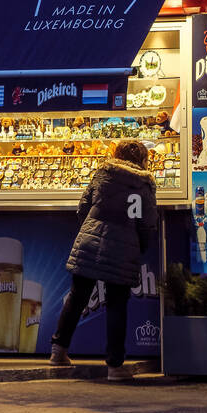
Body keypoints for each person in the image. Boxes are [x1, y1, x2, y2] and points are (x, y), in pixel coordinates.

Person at [51, 139, 157, 380]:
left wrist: (92, 229)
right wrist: (138, 245)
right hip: (124, 248)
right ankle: (115, 367)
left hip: (90, 241)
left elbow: (83, 208)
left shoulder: (103, 175)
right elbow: (147, 223)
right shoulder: (144, 184)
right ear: (143, 159)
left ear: (116, 154)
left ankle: (58, 352)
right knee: (117, 303)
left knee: (77, 296)